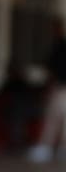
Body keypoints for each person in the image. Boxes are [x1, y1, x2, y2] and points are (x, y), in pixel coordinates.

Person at [28, 15, 66, 162]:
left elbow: (53, 70)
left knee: (53, 117)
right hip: (59, 86)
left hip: (60, 87)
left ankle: (47, 146)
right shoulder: (58, 46)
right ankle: (55, 147)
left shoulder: (60, 47)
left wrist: (50, 85)